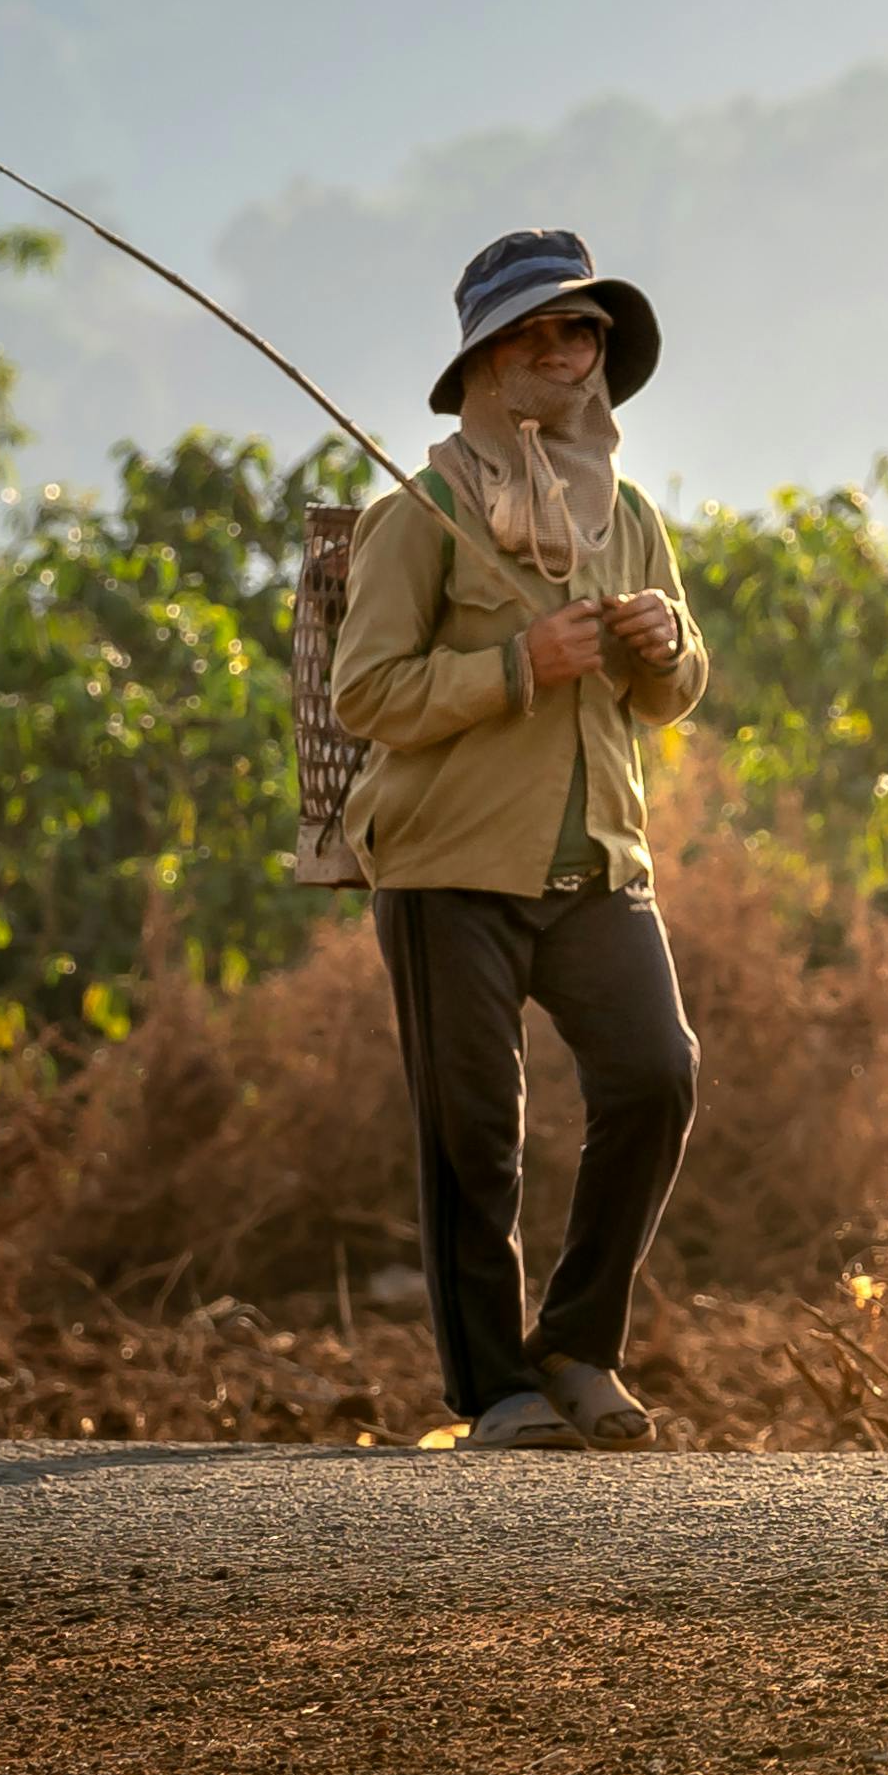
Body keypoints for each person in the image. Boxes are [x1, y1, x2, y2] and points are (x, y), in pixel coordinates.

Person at [321, 229, 712, 1452]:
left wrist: (665, 648)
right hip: (448, 867)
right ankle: (497, 1388)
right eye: (541, 331)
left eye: (585, 330)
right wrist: (515, 664)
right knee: (473, 1134)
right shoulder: (420, 514)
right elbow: (366, 691)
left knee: (658, 1076)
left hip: (600, 860)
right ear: (487, 360)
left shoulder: (631, 514)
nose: (568, 351)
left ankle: (580, 1346)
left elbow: (675, 689)